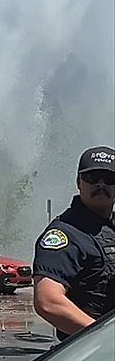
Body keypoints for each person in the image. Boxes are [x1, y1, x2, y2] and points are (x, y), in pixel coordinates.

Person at [32, 145, 115, 341]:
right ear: (79, 183)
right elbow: (47, 301)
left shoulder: (110, 228)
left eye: (109, 179)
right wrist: (104, 341)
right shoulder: (66, 234)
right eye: (92, 178)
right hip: (93, 360)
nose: (101, 185)